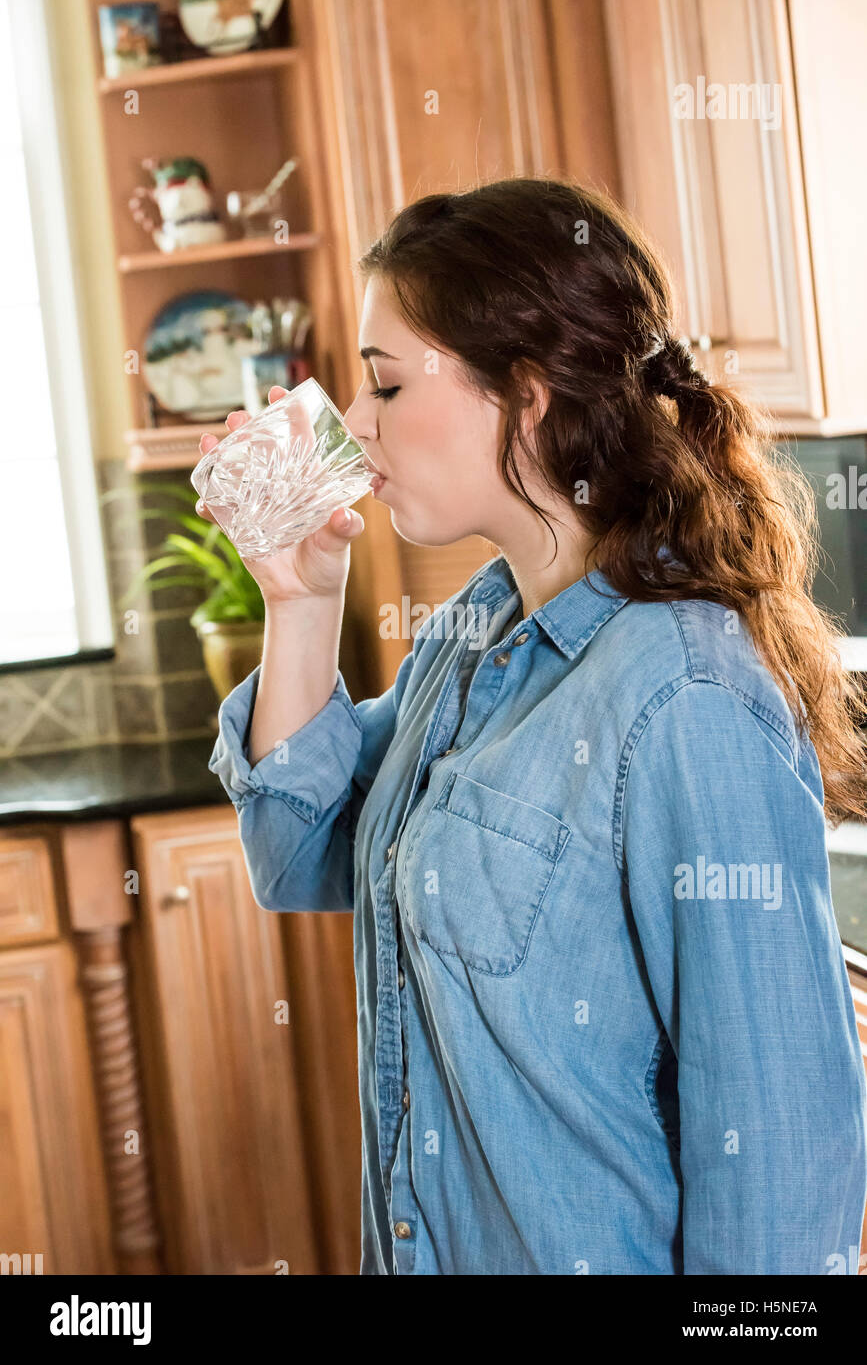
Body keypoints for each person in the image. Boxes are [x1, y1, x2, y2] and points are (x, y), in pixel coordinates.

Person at [202, 178, 867, 1275]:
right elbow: (300, 855)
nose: (353, 427)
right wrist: (301, 599)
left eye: (384, 386)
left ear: (527, 394)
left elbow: (784, 1177)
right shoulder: (474, 630)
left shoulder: (686, 697)